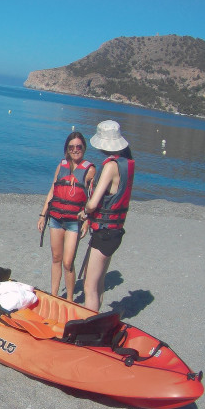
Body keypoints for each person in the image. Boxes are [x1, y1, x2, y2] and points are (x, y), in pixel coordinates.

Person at [78, 120, 135, 312]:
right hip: (115, 231)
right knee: (99, 283)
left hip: (104, 233)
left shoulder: (111, 166)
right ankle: (95, 321)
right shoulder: (127, 163)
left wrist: (85, 211)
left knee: (89, 286)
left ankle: (89, 326)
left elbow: (93, 203)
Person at [37, 132, 96, 300]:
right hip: (55, 218)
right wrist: (42, 215)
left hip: (73, 221)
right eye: (72, 147)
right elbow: (52, 191)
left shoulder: (90, 170)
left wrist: (87, 221)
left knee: (68, 262)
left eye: (79, 147)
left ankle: (69, 299)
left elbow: (92, 198)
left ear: (84, 147)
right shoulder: (61, 166)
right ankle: (54, 295)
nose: (75, 150)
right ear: (67, 149)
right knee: (56, 257)